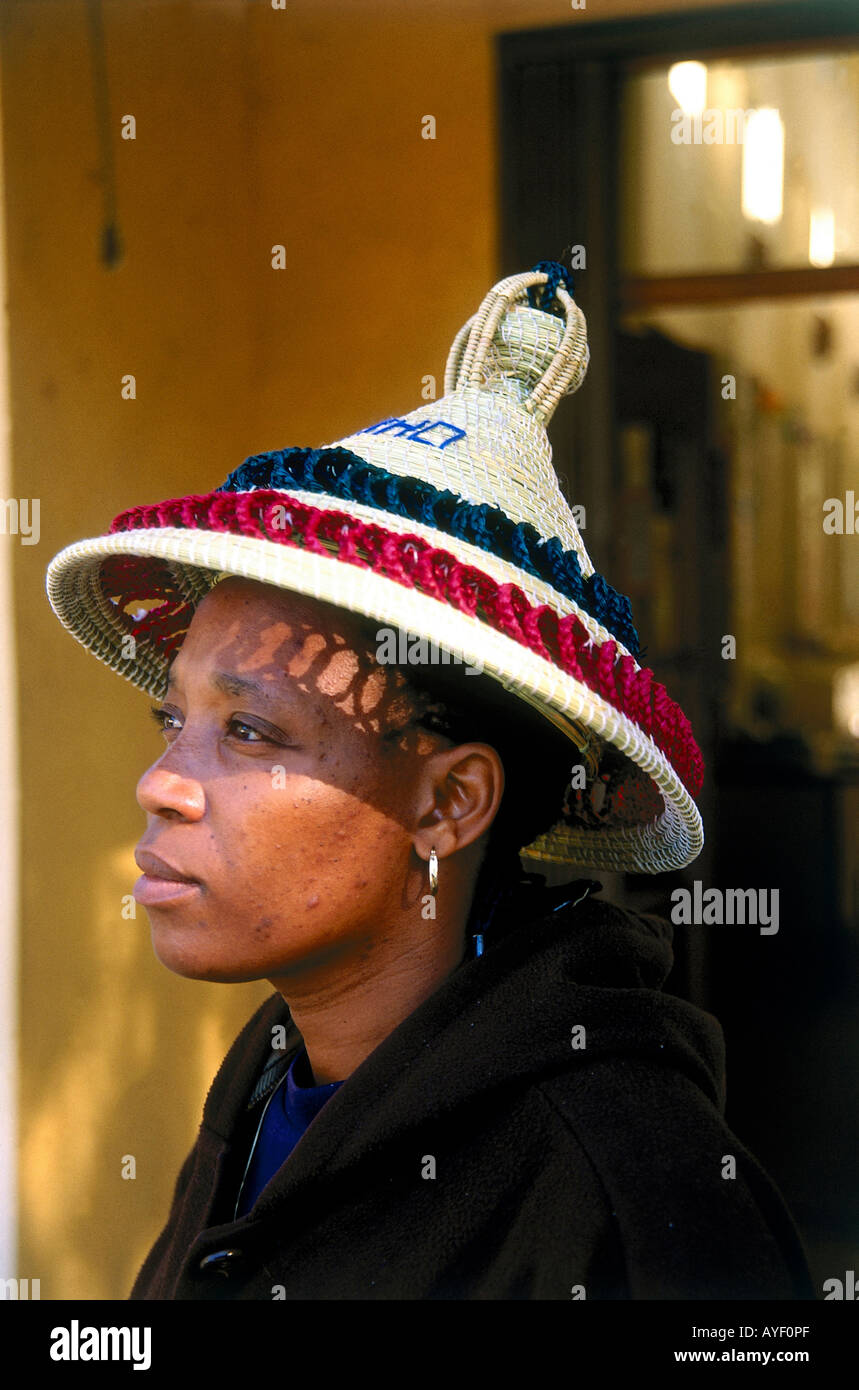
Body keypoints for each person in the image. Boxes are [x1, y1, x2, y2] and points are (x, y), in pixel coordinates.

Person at [45, 262, 813, 1299]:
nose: (162, 784)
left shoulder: (635, 1194)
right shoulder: (278, 1073)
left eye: (254, 729)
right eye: (174, 718)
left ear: (449, 803)